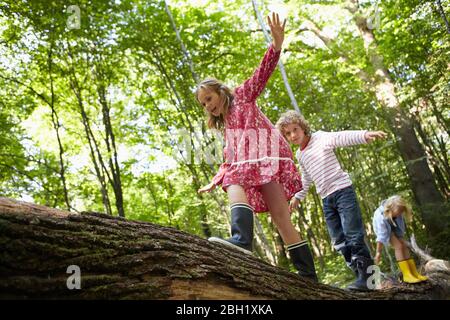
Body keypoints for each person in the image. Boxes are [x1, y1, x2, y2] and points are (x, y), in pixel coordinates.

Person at [196, 13, 317, 281]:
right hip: (249, 166)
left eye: (209, 98)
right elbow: (230, 159)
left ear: (220, 91)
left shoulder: (242, 95)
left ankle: (243, 240)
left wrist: (275, 45)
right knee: (278, 217)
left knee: (248, 189)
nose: (207, 105)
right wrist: (214, 180)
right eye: (203, 104)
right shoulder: (226, 126)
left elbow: (261, 73)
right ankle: (308, 276)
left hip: (268, 157)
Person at [276, 110, 387, 290]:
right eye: (287, 133)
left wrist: (364, 135)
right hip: (327, 199)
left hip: (343, 191)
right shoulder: (300, 154)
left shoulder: (320, 138)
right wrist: (298, 196)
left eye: (295, 129)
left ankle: (370, 280)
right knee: (339, 241)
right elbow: (306, 178)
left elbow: (341, 137)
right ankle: (364, 277)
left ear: (303, 127)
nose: (293, 135)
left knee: (354, 236)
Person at [373, 195, 428, 283]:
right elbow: (381, 236)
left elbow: (399, 228)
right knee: (398, 246)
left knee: (404, 245)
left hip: (393, 226)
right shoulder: (380, 217)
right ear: (391, 209)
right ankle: (406, 275)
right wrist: (378, 252)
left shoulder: (397, 213)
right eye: (399, 212)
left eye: (401, 212)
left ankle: (414, 273)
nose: (400, 214)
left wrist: (400, 237)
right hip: (384, 230)